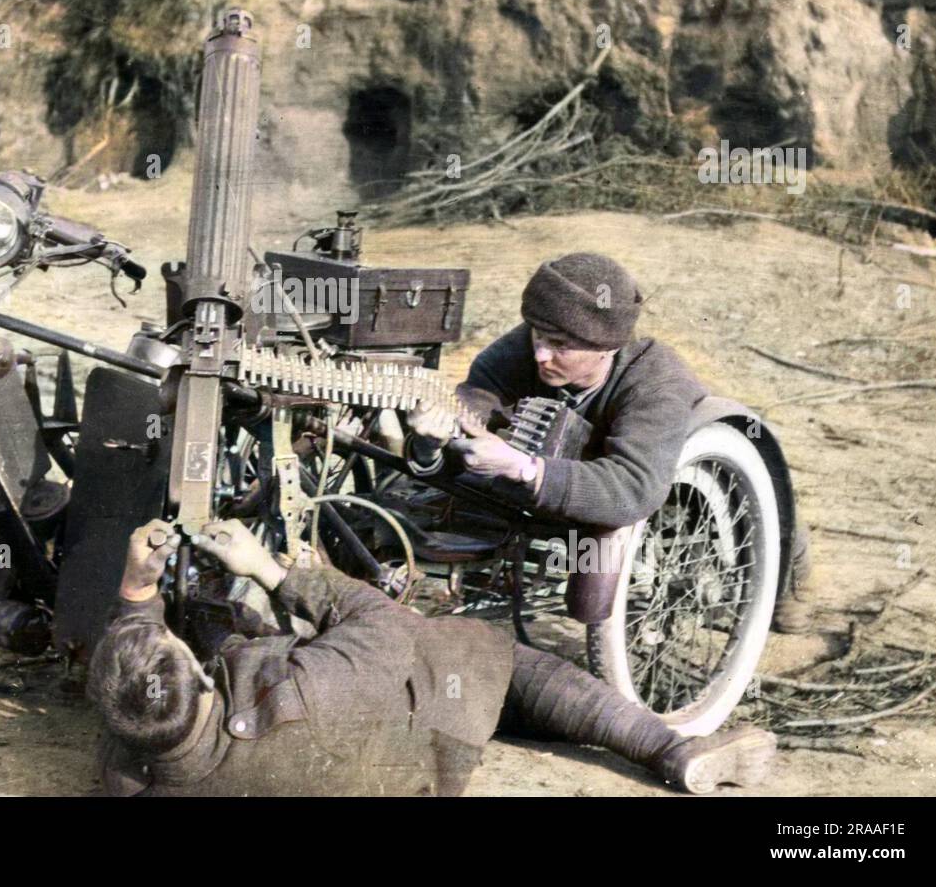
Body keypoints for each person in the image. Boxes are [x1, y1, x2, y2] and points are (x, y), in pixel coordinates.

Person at [87, 518, 777, 797]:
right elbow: (381, 619)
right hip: (429, 729)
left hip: (375, 775)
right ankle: (670, 751)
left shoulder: (130, 775)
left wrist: (137, 589)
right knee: (516, 667)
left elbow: (141, 682)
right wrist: (270, 570)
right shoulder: (313, 686)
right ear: (205, 682)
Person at [405, 251, 814, 633]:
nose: (542, 356)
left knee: (589, 600)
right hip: (552, 477)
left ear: (608, 347)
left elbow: (634, 489)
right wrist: (433, 440)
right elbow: (474, 416)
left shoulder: (655, 383)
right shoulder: (518, 352)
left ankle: (790, 575)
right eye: (538, 336)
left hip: (622, 480)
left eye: (561, 346)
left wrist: (521, 466)